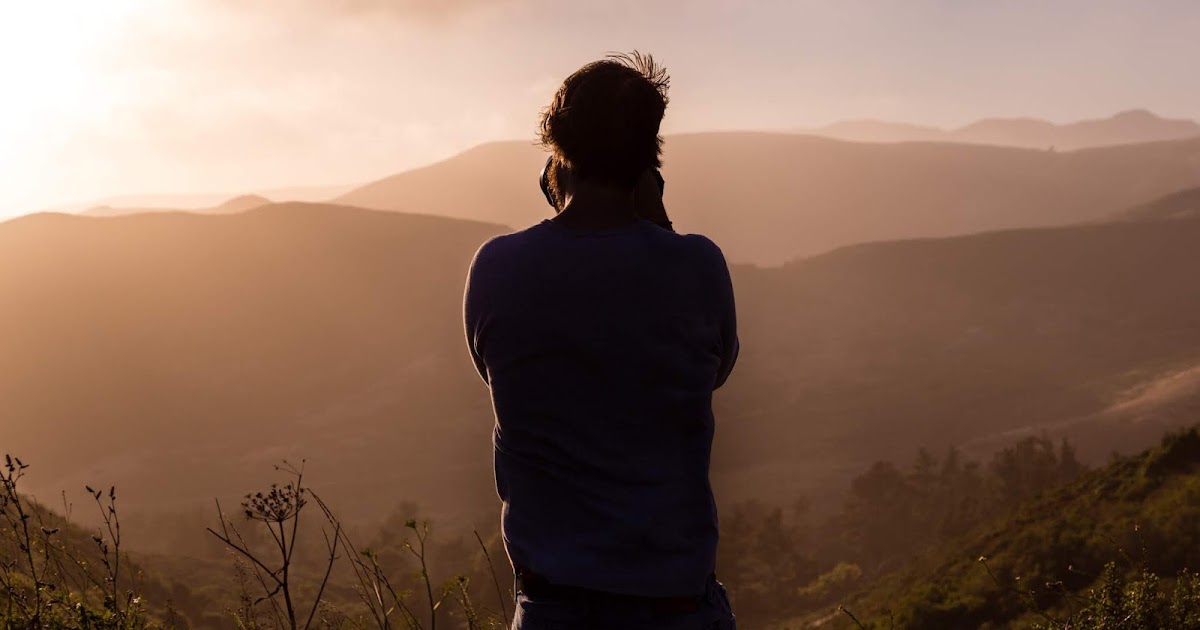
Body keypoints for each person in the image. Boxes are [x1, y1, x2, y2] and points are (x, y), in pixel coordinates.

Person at [463, 51, 739, 630]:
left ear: (556, 152)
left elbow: (501, 374)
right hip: (677, 607)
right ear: (649, 159)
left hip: (554, 608)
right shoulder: (697, 266)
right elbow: (713, 370)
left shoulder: (497, 267)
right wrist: (657, 223)